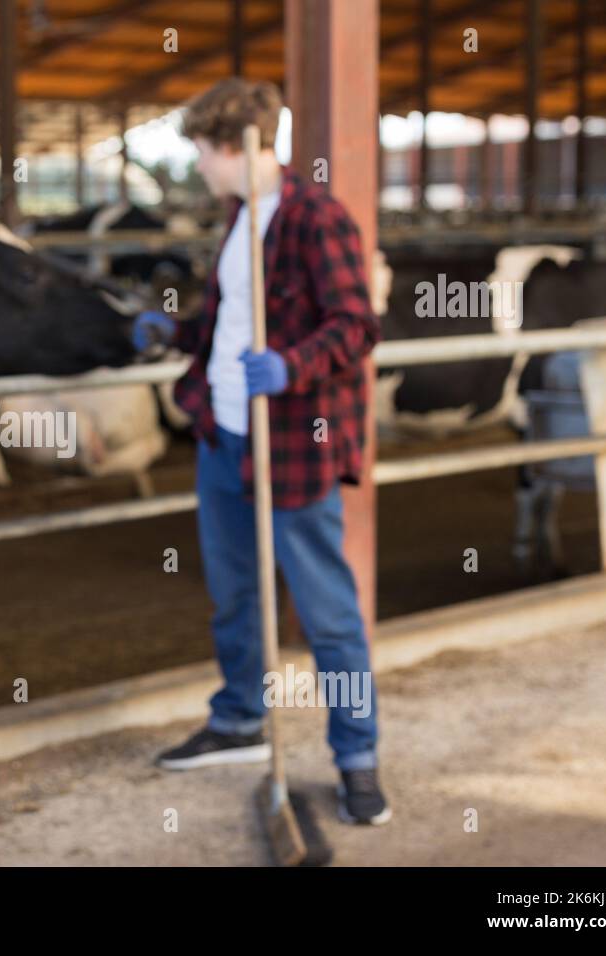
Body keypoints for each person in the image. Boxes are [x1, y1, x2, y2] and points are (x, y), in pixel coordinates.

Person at [134, 78, 390, 825]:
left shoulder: (316, 218)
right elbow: (229, 320)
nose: (201, 171)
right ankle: (241, 717)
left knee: (327, 611)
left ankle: (358, 757)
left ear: (231, 145)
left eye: (202, 156)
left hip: (293, 443)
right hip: (224, 436)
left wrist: (292, 365)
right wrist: (173, 331)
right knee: (236, 593)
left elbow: (355, 326)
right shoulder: (241, 218)